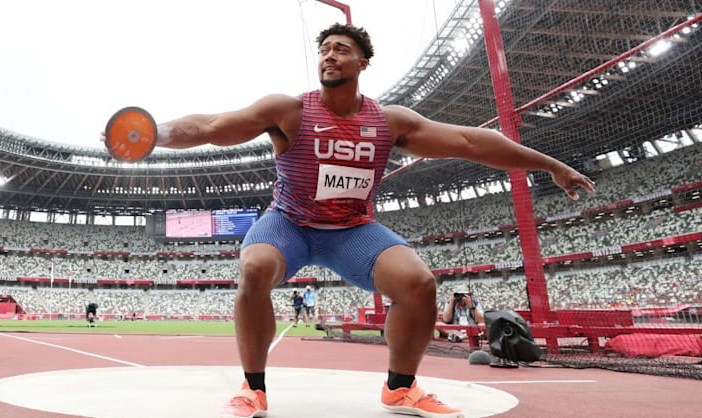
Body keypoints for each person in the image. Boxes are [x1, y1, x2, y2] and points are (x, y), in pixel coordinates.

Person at [103, 22, 594, 418]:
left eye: (341, 49)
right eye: (324, 50)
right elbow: (211, 127)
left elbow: (469, 142)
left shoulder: (390, 121)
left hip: (352, 231)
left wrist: (550, 164)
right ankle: (254, 390)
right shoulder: (289, 110)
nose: (330, 56)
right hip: (289, 224)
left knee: (419, 283)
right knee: (254, 269)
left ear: (363, 63)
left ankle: (400, 389)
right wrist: (155, 134)